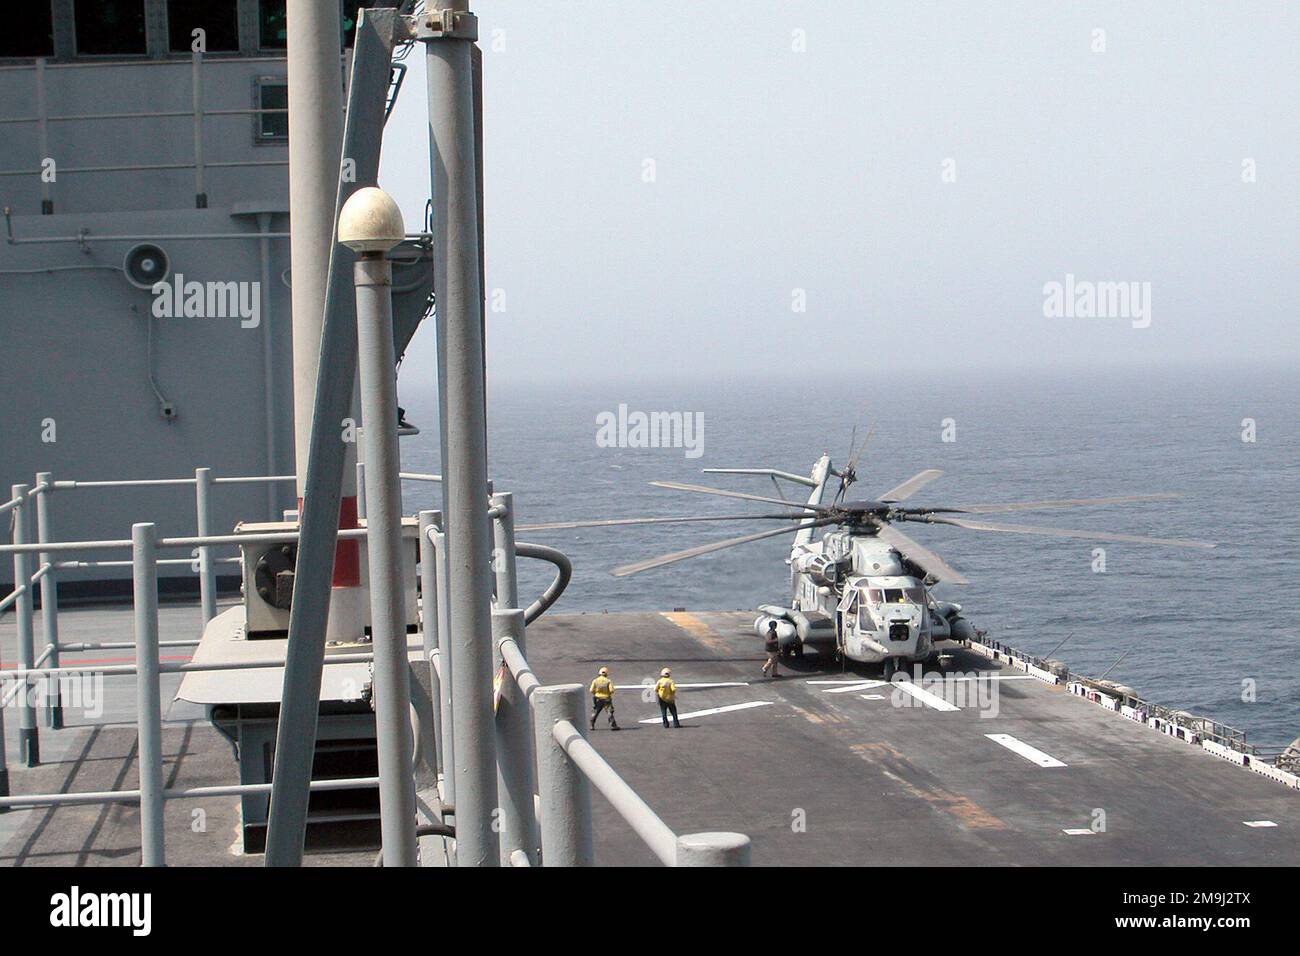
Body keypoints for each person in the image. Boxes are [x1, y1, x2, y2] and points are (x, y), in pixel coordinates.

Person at [590, 666, 619, 730]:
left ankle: (592, 725)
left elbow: (591, 690)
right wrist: (608, 693)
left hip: (597, 698)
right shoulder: (608, 681)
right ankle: (613, 725)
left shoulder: (595, 681)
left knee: (595, 711)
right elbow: (612, 690)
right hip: (606, 698)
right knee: (609, 712)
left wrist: (596, 693)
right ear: (606, 674)